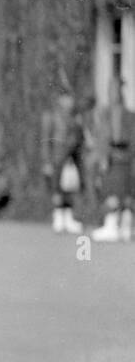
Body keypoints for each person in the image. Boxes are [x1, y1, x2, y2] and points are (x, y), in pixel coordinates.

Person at [40, 91, 87, 234]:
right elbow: (46, 139)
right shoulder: (51, 116)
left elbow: (80, 138)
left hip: (71, 159)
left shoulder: (76, 117)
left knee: (69, 188)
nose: (70, 102)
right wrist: (47, 161)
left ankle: (68, 218)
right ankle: (58, 217)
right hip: (57, 157)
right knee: (57, 189)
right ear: (61, 99)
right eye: (67, 99)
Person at [90, 79, 131, 242]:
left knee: (122, 192)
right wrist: (102, 156)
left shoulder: (128, 115)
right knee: (111, 191)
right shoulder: (105, 113)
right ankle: (113, 225)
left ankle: (123, 227)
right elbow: (102, 137)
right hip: (112, 157)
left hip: (122, 158)